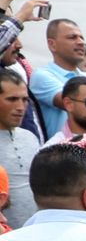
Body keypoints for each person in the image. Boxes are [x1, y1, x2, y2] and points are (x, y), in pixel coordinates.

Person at [0, 71, 42, 228]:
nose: (20, 107)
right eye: (12, 99)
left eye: (25, 100)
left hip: (34, 234)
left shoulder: (29, 137)